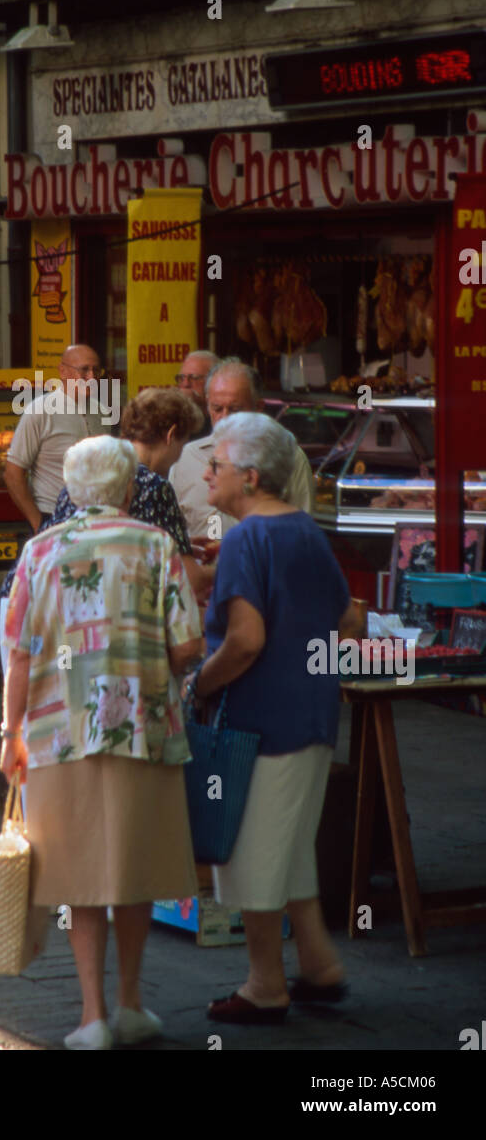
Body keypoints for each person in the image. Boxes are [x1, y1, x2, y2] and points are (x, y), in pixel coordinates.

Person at [0, 435, 203, 1050]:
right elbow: (188, 645)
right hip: (143, 727)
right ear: (123, 487)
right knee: (135, 869)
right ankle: (133, 1004)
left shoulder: (38, 552)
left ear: (70, 487)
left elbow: (19, 652)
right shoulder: (157, 545)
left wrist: (10, 735)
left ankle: (92, 1018)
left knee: (79, 874)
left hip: (59, 731)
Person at [181, 412, 362, 1025]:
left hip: (260, 723)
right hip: (310, 716)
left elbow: (245, 641)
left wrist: (198, 684)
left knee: (254, 856)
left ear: (251, 477)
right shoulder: (306, 532)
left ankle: (265, 984)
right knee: (290, 853)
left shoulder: (246, 540)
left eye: (217, 466)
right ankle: (320, 966)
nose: (206, 473)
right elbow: (349, 621)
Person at [37, 387, 211, 606]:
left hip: (54, 602)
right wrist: (221, 568)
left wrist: (181, 544)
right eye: (182, 443)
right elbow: (190, 581)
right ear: (171, 435)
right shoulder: (154, 486)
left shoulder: (85, 473)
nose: (179, 456)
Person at [171, 357, 315, 542]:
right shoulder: (186, 458)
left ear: (259, 408)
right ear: (207, 406)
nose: (225, 419)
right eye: (217, 409)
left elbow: (302, 534)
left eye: (235, 409)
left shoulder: (289, 457)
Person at [3, 344, 111, 533]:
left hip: (95, 521)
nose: (92, 377)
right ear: (63, 371)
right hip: (54, 519)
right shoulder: (40, 411)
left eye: (96, 370)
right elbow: (13, 474)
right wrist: (39, 523)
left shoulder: (101, 412)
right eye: (84, 370)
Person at [172, 349, 218, 439]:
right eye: (181, 378)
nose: (185, 384)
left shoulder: (222, 416)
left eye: (193, 378)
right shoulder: (174, 416)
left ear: (214, 381)